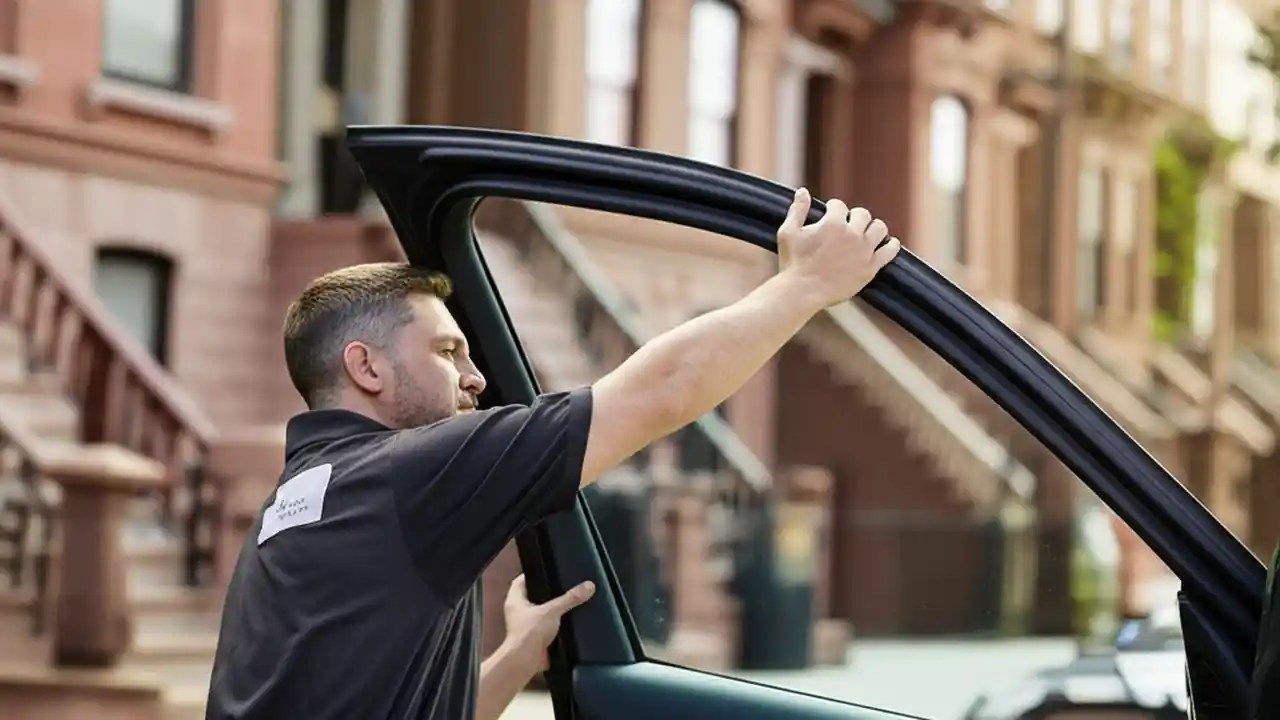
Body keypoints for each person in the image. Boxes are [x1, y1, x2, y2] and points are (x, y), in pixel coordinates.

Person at [205, 188, 900, 720]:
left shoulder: (291, 509)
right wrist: (806, 285)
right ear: (367, 368)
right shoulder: (408, 472)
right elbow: (664, 389)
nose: (475, 379)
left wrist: (515, 656)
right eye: (448, 353)